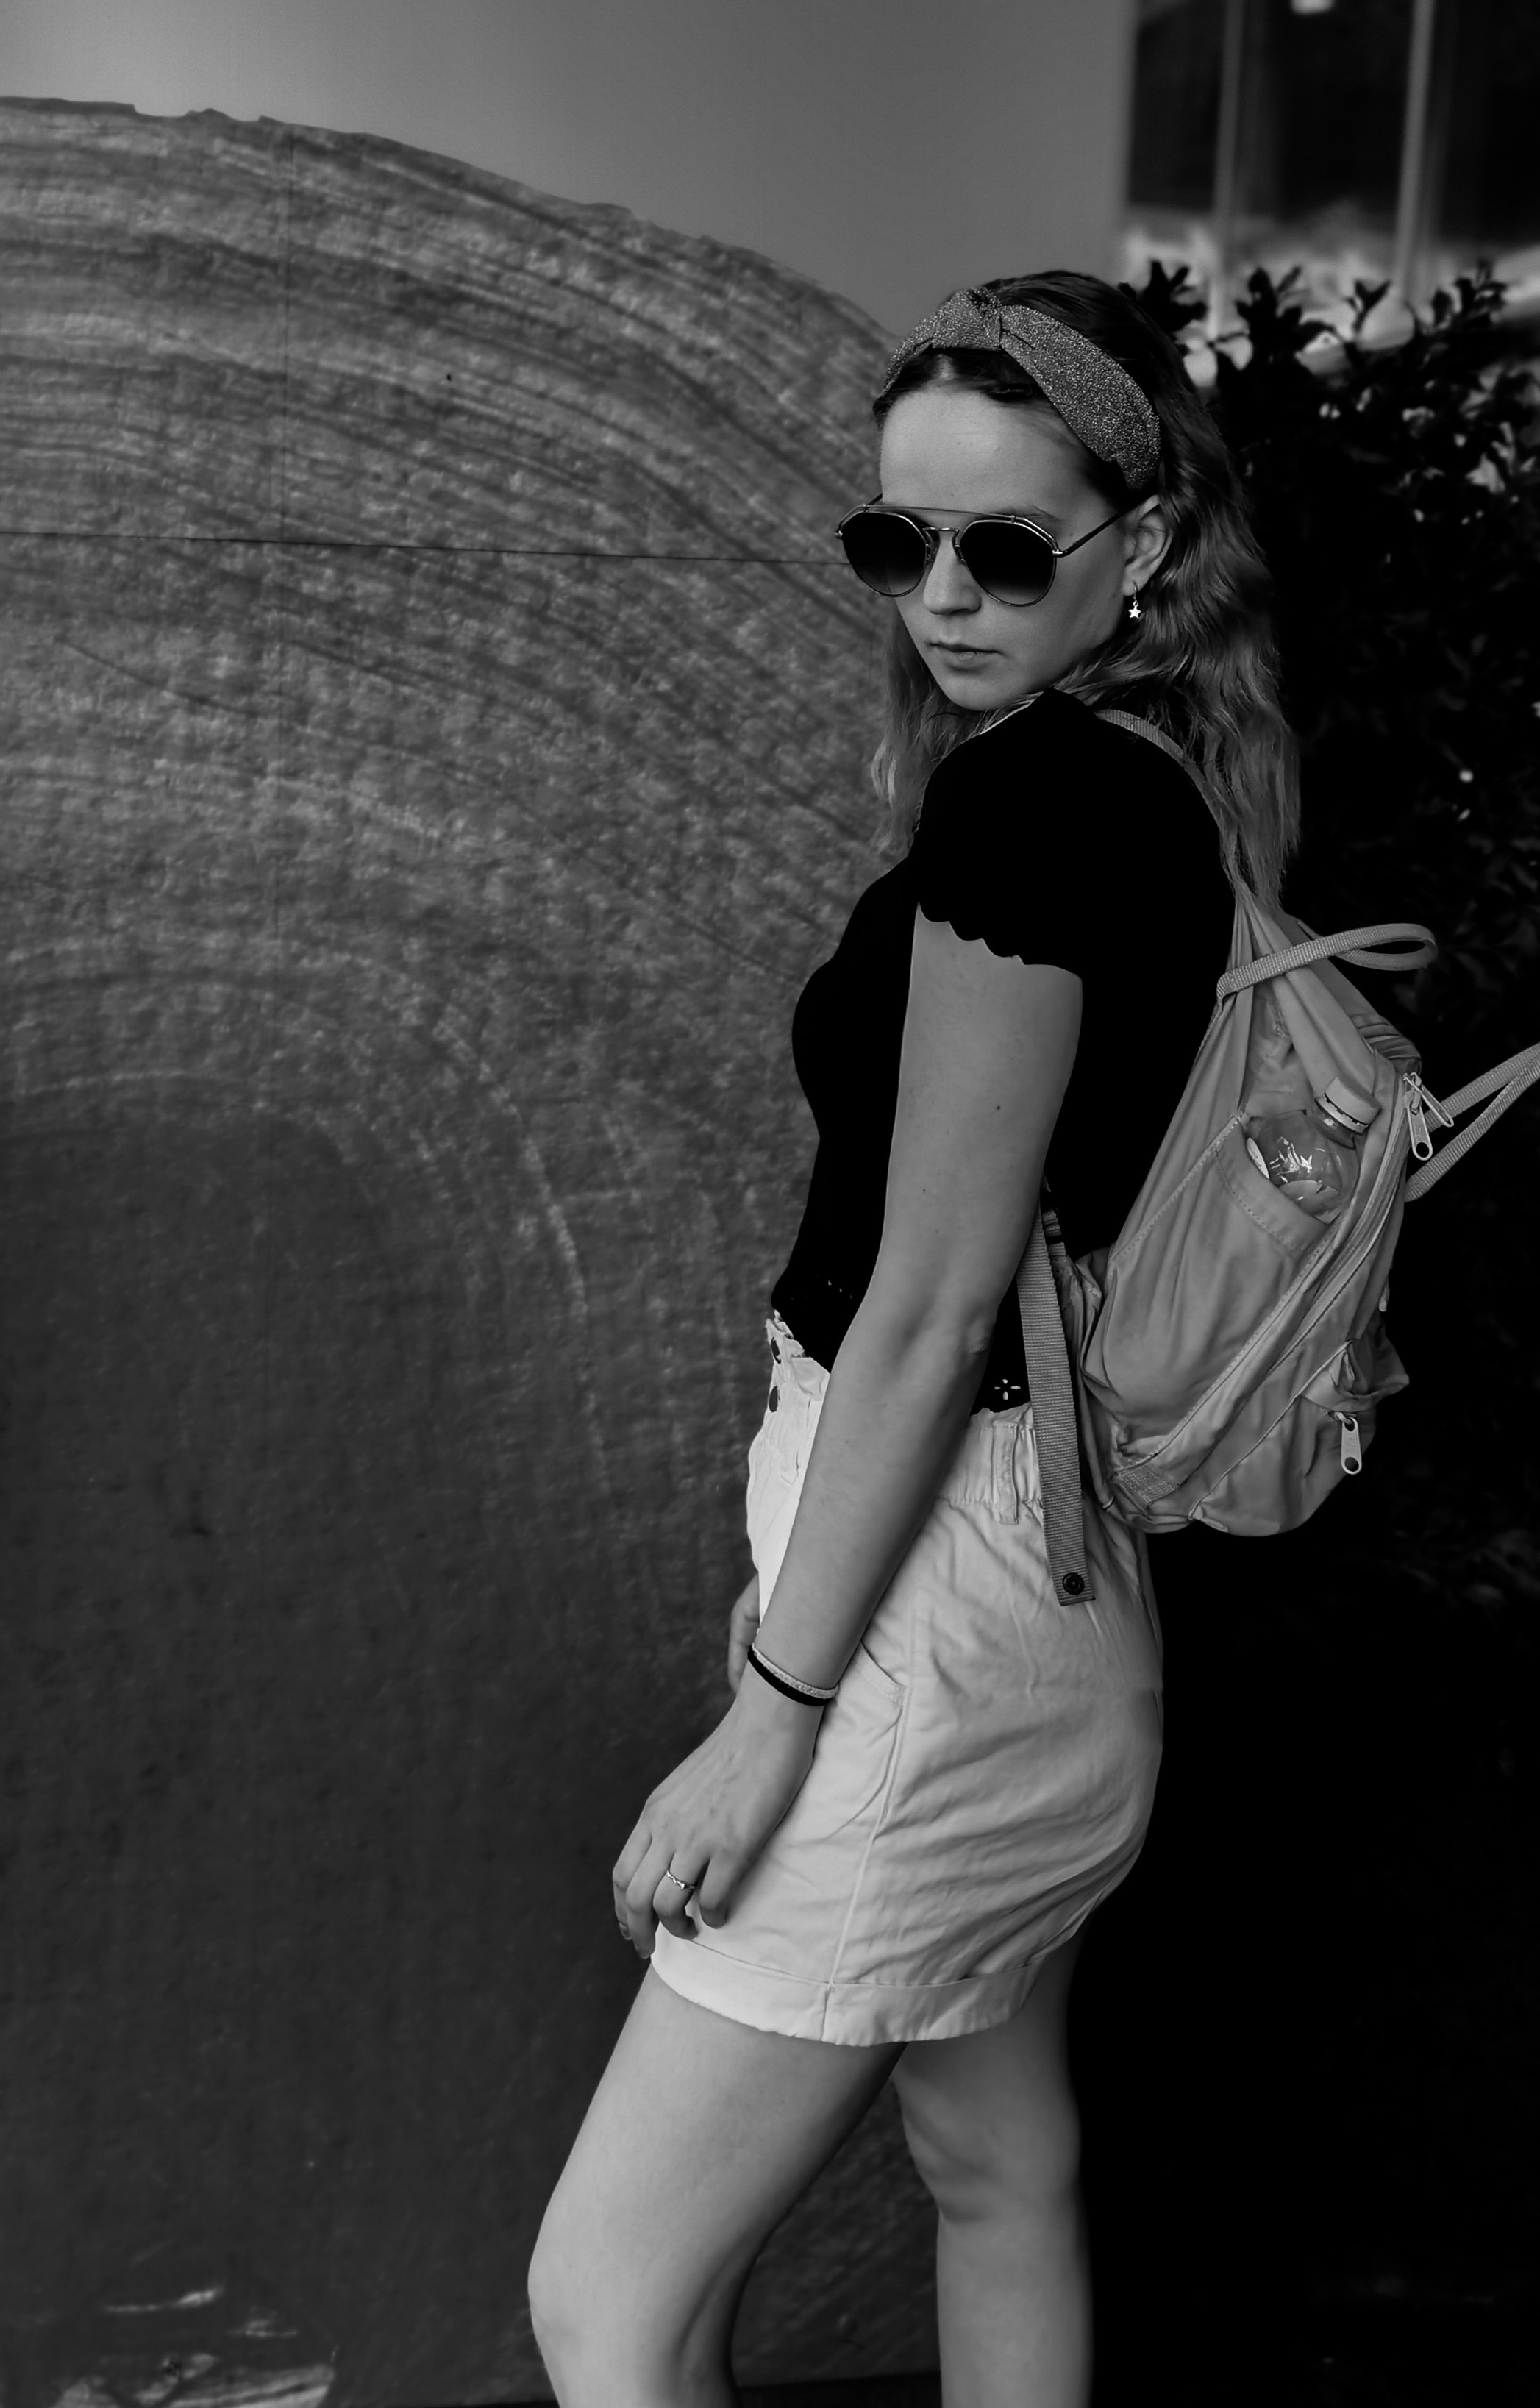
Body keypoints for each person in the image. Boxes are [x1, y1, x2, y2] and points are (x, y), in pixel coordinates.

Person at [529, 272, 1299, 2408]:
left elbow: (934, 1306)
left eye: (1000, 547)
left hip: (928, 1611)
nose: (938, 596)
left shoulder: (1034, 812)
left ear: (1139, 546)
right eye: (897, 541)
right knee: (993, 2165)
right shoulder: (1148, 786)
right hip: (1027, 1596)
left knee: (605, 2298)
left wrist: (771, 1715)